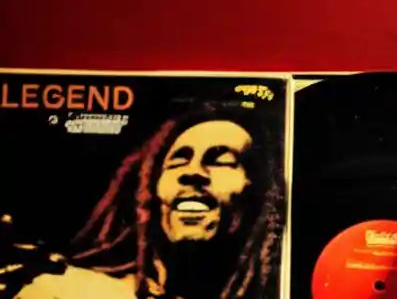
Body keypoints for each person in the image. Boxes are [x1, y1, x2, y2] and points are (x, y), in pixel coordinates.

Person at [0, 105, 285, 299]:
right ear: (150, 191)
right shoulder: (66, 290)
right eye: (177, 162)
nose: (192, 172)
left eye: (222, 161)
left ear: (260, 196)